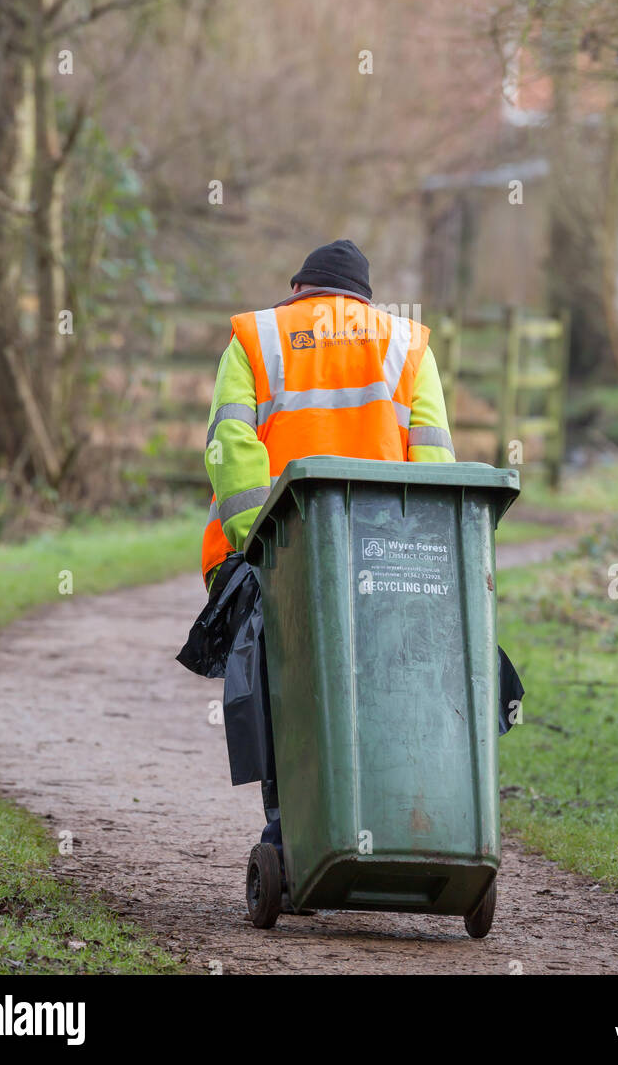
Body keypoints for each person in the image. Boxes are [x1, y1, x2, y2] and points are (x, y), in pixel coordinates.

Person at [201, 238, 455, 879]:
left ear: (299, 290)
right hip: (387, 560)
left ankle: (290, 840)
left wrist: (257, 540)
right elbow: (434, 462)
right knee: (381, 691)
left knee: (287, 693)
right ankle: (394, 828)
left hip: (282, 555)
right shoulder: (406, 344)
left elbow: (230, 443)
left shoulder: (258, 335)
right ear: (362, 298)